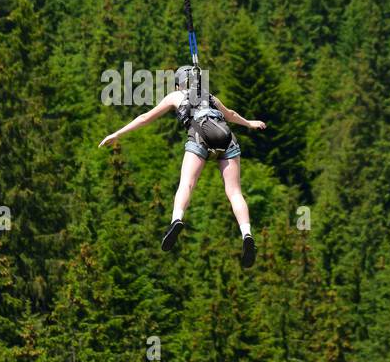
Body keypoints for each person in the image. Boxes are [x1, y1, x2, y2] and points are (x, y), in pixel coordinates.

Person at [99, 65, 266, 267]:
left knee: (186, 184)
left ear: (179, 84)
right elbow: (230, 114)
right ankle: (246, 233)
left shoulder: (176, 97)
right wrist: (250, 123)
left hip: (199, 136)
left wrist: (117, 133)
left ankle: (177, 219)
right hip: (226, 137)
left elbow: (145, 118)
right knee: (234, 192)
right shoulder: (210, 96)